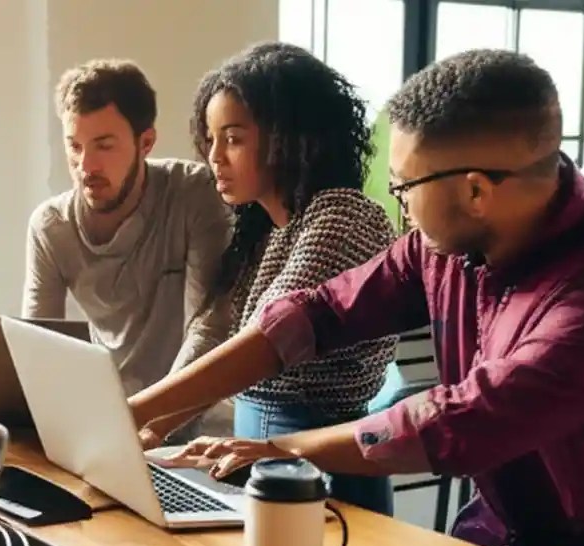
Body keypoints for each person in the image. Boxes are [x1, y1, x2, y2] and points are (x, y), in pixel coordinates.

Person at [131, 50, 584, 546]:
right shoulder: (440, 244)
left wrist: (282, 449)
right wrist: (139, 411)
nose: (398, 206)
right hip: (498, 545)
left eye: (405, 187)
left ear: (476, 190)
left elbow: (465, 420)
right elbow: (315, 314)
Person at [138, 43, 397, 514]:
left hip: (323, 479)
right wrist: (154, 428)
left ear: (291, 138)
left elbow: (266, 346)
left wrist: (137, 412)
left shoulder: (342, 216)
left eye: (233, 138)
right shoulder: (269, 231)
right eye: (211, 138)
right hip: (263, 469)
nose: (214, 156)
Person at [22, 59, 233, 396]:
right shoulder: (51, 227)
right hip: (110, 410)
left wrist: (151, 416)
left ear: (145, 143)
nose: (86, 166)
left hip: (193, 408)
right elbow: (37, 346)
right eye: (74, 146)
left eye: (104, 146)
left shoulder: (194, 194)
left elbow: (208, 329)